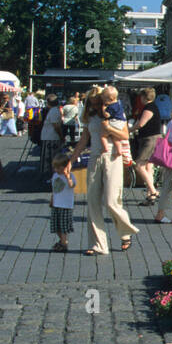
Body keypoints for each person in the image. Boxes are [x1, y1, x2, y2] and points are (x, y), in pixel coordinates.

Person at [69, 88, 139, 255]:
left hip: (112, 158)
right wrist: (70, 161)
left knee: (111, 200)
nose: (95, 106)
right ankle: (98, 244)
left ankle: (125, 231)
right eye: (92, 104)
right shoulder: (90, 117)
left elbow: (124, 135)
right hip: (94, 157)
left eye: (97, 103)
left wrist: (107, 128)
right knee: (92, 202)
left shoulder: (113, 113)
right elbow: (83, 140)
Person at [131, 87, 163, 205]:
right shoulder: (154, 106)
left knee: (139, 165)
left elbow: (141, 124)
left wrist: (129, 130)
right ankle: (150, 195)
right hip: (153, 138)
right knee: (148, 166)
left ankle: (154, 191)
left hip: (149, 139)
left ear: (144, 97)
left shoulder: (149, 108)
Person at [49, 151, 76, 252]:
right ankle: (62, 241)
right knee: (55, 226)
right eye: (55, 168)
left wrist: (68, 177)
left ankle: (64, 243)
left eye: (59, 168)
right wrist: (52, 199)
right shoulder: (55, 176)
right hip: (56, 203)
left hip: (66, 205)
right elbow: (54, 189)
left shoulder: (70, 176)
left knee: (64, 226)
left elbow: (72, 185)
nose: (56, 170)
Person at [39, 94, 64, 176]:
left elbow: (56, 126)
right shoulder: (55, 110)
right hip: (50, 137)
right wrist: (61, 136)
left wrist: (60, 136)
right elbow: (56, 125)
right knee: (51, 158)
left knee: (50, 158)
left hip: (51, 137)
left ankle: (50, 175)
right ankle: (49, 175)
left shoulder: (53, 111)